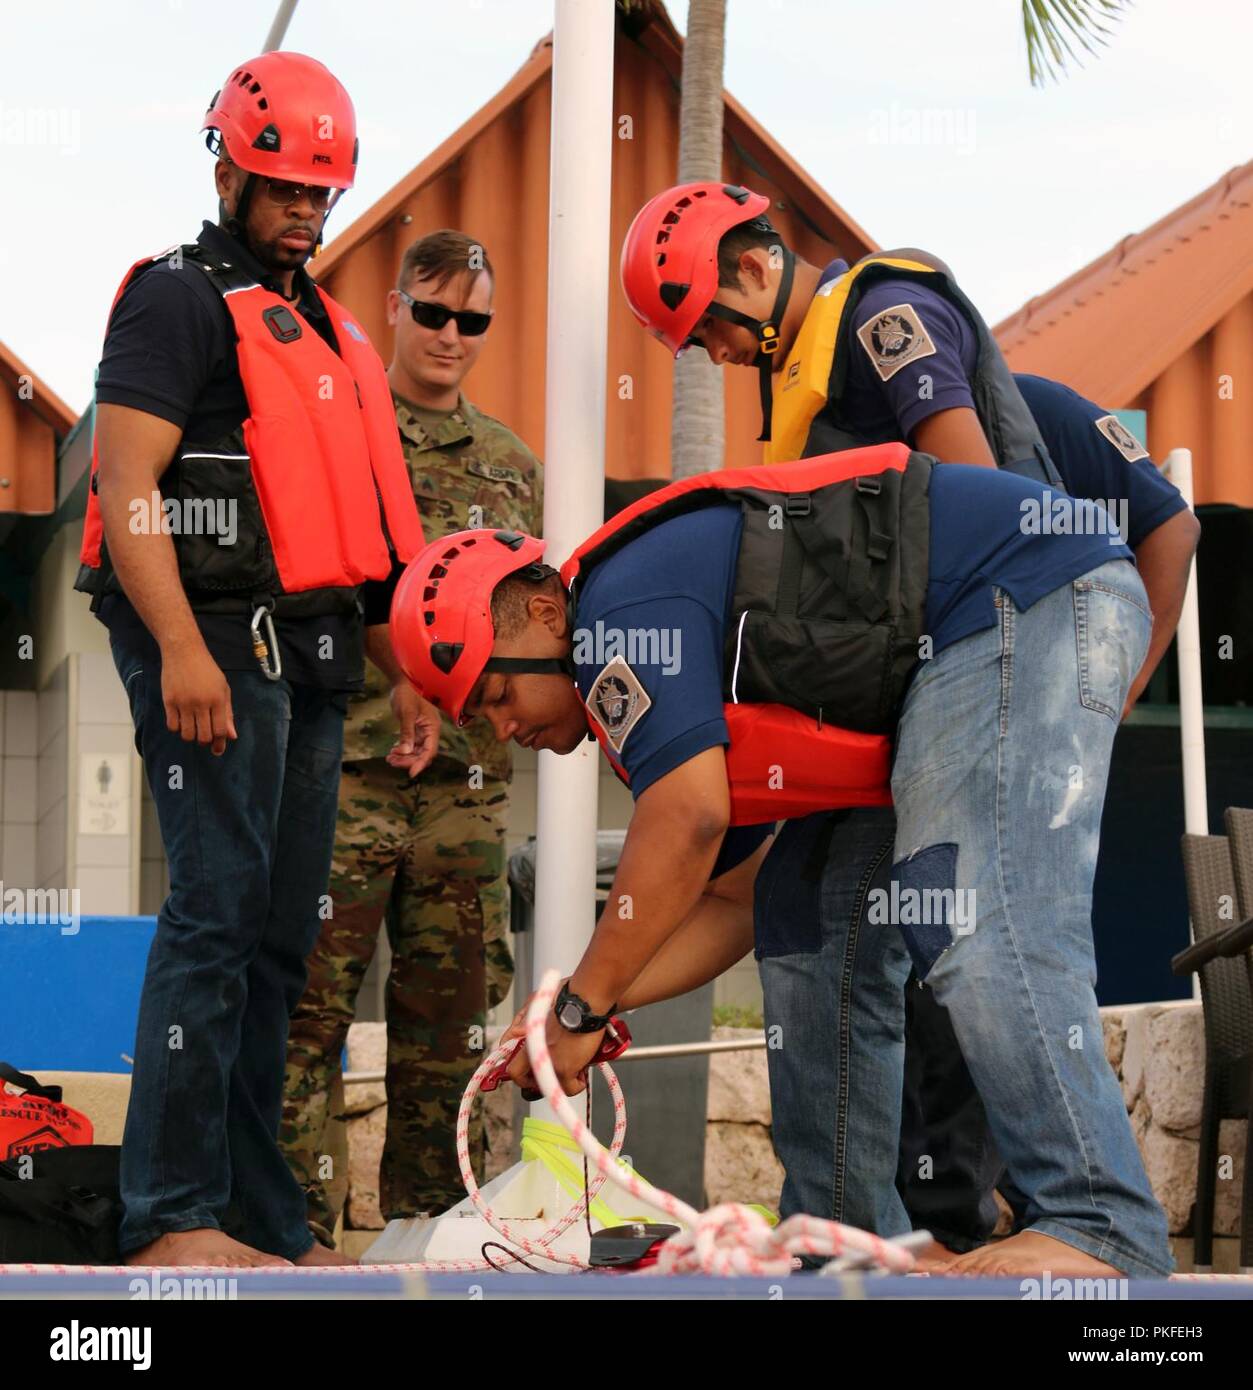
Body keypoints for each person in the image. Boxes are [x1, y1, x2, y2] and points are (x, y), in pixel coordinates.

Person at [618, 182, 1198, 1265]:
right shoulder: (795, 395)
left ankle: (1095, 1225)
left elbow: (973, 492)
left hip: (998, 629)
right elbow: (730, 892)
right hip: (908, 690)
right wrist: (591, 997)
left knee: (983, 930)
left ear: (750, 269)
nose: (717, 353)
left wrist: (1093, 694)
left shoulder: (880, 310)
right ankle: (844, 1238)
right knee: (800, 911)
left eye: (712, 331)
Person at [76, 52, 438, 1268]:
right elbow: (126, 490)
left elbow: (356, 536)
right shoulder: (174, 300)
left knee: (282, 941)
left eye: (321, 193)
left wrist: (405, 673)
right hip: (212, 648)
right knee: (214, 917)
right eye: (283, 184)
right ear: (229, 163)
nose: (303, 209)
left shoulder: (329, 328)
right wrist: (179, 646)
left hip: (318, 662)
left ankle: (257, 1217)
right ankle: (169, 1214)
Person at [281, 231, 543, 1239]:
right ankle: (296, 1231)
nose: (449, 335)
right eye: (430, 312)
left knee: (454, 1031)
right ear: (392, 307)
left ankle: (439, 1233)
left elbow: (530, 627)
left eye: (470, 320)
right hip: (345, 773)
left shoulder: (513, 466)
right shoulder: (340, 435)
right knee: (306, 1012)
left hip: (464, 792)